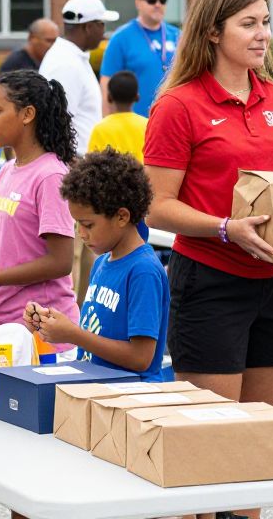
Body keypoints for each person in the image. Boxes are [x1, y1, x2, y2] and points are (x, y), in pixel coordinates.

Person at [145, 0, 273, 517]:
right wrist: (224, 227)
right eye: (249, 23)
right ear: (213, 31)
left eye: (266, 22)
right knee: (208, 447)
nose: (263, 34)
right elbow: (156, 206)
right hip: (211, 282)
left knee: (255, 447)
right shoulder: (179, 105)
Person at [0, 70, 79, 356]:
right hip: (1, 328)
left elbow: (61, 262)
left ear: (27, 114)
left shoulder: (50, 176)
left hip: (42, 336)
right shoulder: (6, 170)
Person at [25, 149, 169, 381]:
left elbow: (141, 358)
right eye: (77, 224)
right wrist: (50, 323)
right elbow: (96, 332)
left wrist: (73, 334)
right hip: (97, 386)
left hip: (132, 393)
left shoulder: (143, 271)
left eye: (88, 225)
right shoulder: (101, 263)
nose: (81, 234)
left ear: (122, 217)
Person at [39, 0, 118, 156]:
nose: (104, 32)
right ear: (88, 27)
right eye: (101, 24)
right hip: (74, 161)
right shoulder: (65, 63)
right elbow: (57, 123)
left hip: (81, 161)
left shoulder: (72, 57)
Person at [100, 0, 180, 118]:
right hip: (135, 123)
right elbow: (107, 82)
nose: (158, 5)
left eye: (162, 1)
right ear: (138, 3)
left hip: (172, 120)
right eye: (152, 1)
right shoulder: (121, 37)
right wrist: (108, 121)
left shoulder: (178, 36)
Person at [88, 70, 147, 163]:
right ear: (137, 97)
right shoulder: (147, 125)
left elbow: (90, 163)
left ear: (109, 97)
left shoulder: (100, 129)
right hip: (140, 172)